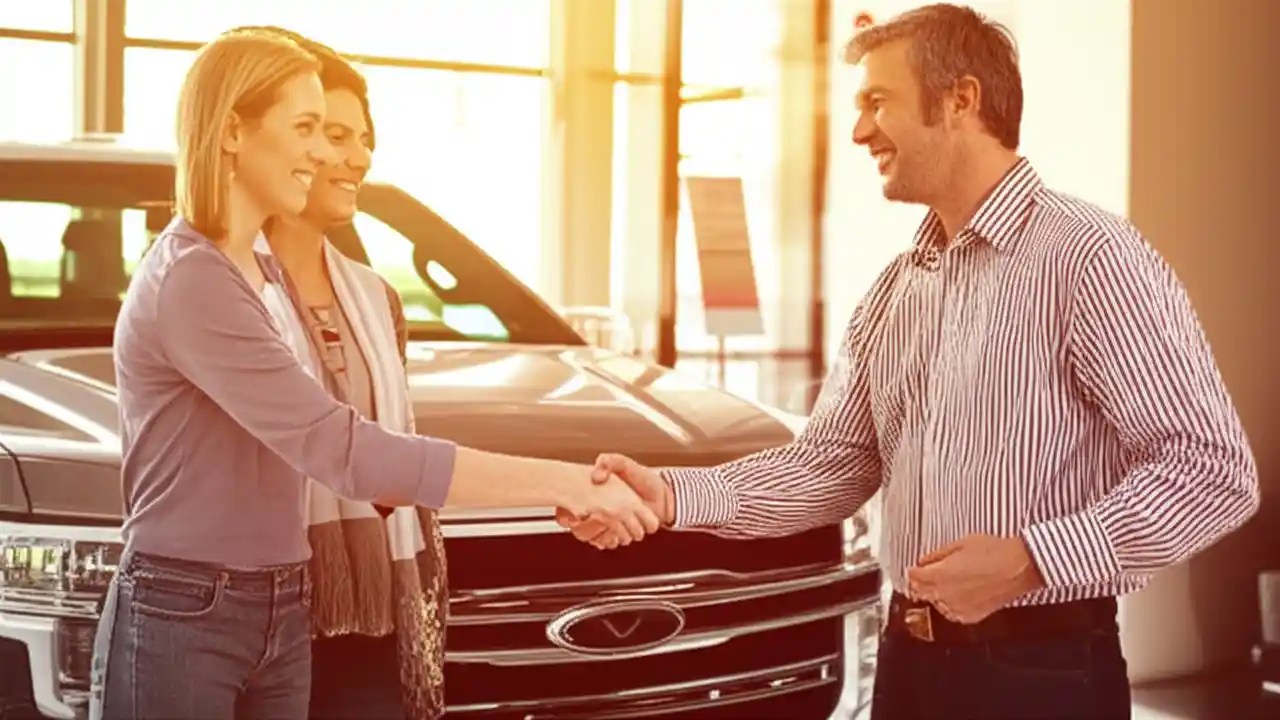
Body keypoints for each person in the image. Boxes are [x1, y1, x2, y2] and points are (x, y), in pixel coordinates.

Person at [566, 4, 1260, 718]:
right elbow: (827, 467)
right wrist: (673, 496)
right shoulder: (898, 288)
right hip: (908, 665)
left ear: (961, 100)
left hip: (1043, 675)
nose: (860, 130)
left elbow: (1211, 472)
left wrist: (1031, 560)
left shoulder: (1091, 258)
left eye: (877, 102)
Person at [90, 30, 658, 720]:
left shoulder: (258, 270)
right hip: (190, 608)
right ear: (233, 130)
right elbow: (343, 450)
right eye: (306, 128)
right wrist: (563, 482)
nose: (325, 154)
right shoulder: (192, 281)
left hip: (279, 597)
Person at [234, 25, 449, 719]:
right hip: (252, 612)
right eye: (332, 134)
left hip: (372, 613)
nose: (356, 158)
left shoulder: (377, 297)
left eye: (365, 139)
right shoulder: (224, 287)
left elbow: (390, 452)